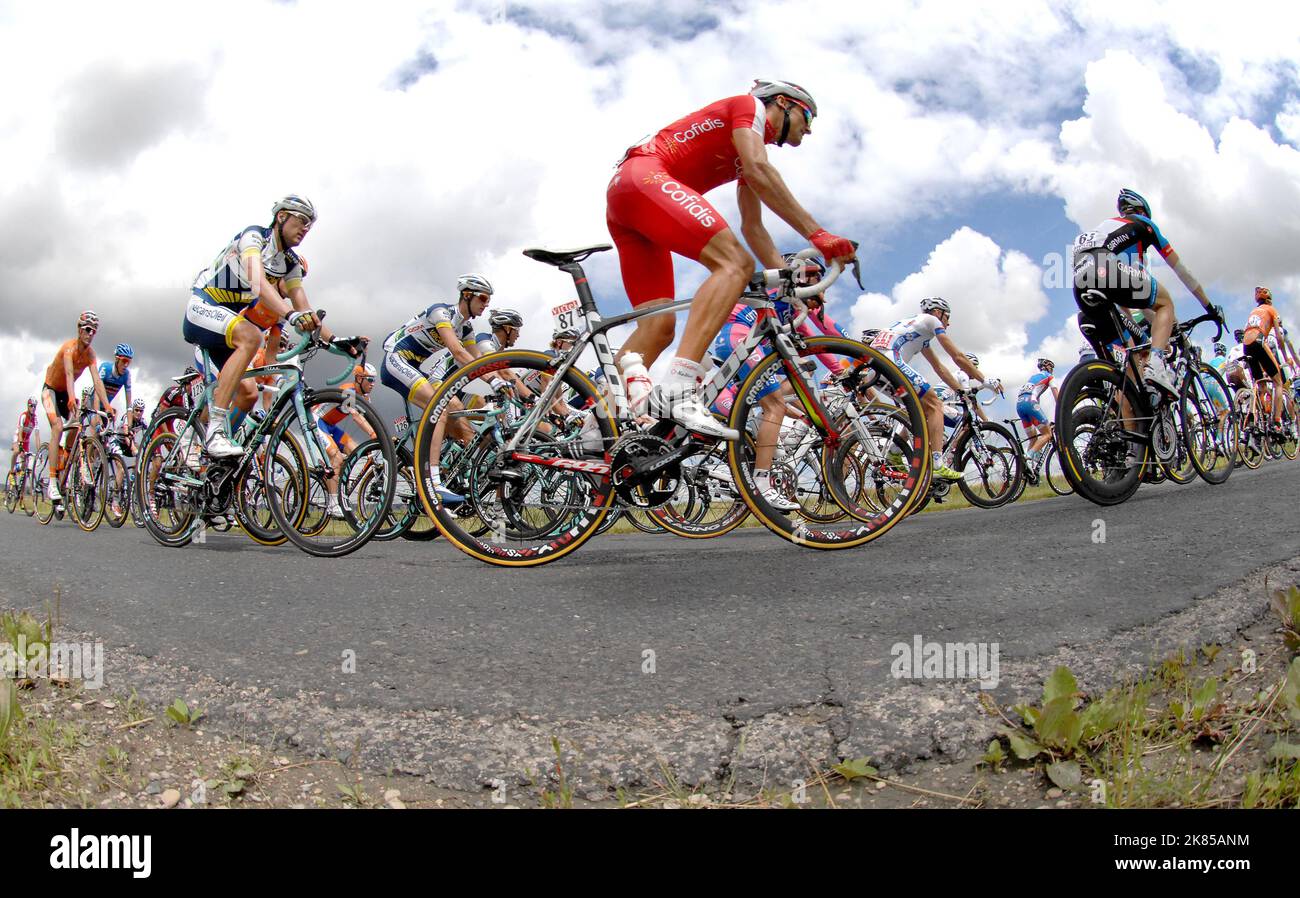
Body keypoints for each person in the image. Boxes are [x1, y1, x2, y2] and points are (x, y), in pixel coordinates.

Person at [605, 79, 856, 440]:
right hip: (646, 178)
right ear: (783, 103)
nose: (810, 129)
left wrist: (786, 280)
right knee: (735, 264)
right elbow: (759, 170)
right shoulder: (748, 108)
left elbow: (753, 227)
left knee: (657, 330)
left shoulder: (747, 152)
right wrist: (819, 235)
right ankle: (679, 386)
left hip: (630, 200)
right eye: (808, 116)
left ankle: (598, 427)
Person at [183, 194, 352, 458]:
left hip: (229, 330)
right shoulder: (254, 238)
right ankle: (213, 432)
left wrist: (338, 343)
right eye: (302, 220)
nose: (306, 228)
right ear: (281, 216)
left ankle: (219, 452)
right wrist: (290, 314)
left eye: (310, 225)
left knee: (248, 395)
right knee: (251, 337)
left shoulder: (291, 264)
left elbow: (302, 306)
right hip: (204, 307)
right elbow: (258, 282)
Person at [1071, 188, 1218, 395]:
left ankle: (1127, 421)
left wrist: (1137, 334)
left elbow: (1131, 299)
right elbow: (1182, 272)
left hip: (1080, 284)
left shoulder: (1108, 230)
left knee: (1130, 382)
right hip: (1103, 269)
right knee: (1165, 302)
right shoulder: (1144, 225)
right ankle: (1156, 366)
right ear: (1142, 211)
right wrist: (1209, 307)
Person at [379, 273, 492, 501]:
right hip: (396, 359)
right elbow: (458, 352)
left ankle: (446, 469)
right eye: (482, 298)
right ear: (467, 295)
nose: (486, 305)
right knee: (439, 407)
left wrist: (500, 381)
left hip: (415, 366)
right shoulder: (441, 312)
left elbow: (479, 362)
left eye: (488, 300)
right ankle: (431, 483)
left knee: (452, 414)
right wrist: (494, 380)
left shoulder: (466, 329)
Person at [869, 298, 999, 481]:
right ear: (938, 312)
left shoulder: (917, 331)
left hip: (874, 370)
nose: (949, 322)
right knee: (935, 405)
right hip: (890, 359)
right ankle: (938, 465)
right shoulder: (931, 321)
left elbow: (940, 368)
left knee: (920, 410)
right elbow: (957, 356)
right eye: (947, 317)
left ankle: (894, 452)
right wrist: (985, 380)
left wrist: (961, 392)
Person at [41, 311, 115, 502]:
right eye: (87, 329)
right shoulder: (69, 349)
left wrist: (107, 406)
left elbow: (97, 380)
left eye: (94, 331)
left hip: (66, 392)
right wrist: (72, 397)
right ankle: (51, 482)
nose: (90, 334)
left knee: (76, 427)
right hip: (51, 390)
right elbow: (68, 374)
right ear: (79, 329)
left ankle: (64, 466)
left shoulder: (90, 354)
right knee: (57, 427)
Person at [1016, 359, 1060, 483]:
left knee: (1033, 440)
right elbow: (1058, 397)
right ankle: (1027, 457)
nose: (1052, 369)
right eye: (1051, 367)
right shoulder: (1050, 376)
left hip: (1019, 404)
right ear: (1047, 368)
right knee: (1047, 434)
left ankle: (1028, 473)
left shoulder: (1033, 377)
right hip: (1030, 403)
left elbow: (1036, 400)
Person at [94, 343, 134, 420]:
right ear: (117, 359)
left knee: (109, 430)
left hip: (105, 408)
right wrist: (97, 419)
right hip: (93, 404)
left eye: (129, 362)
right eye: (124, 361)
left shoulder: (127, 375)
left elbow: (129, 406)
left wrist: (129, 427)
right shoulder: (105, 368)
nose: (126, 365)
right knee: (95, 425)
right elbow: (97, 394)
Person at [10, 397, 40, 478]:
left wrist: (39, 450)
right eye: (31, 406)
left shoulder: (35, 419)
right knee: (16, 452)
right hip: (18, 437)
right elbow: (20, 432)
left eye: (35, 406)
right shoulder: (24, 415)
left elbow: (37, 435)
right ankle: (11, 472)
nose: (33, 408)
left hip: (26, 441)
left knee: (25, 466)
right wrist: (20, 446)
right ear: (28, 406)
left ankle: (22, 489)